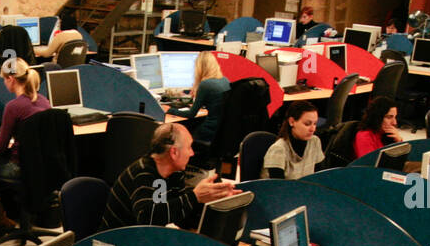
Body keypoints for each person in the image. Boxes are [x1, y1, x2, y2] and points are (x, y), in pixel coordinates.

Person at [102, 122, 240, 229]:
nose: (192, 153)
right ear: (174, 152)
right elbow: (150, 220)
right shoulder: (144, 174)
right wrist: (195, 196)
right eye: (189, 147)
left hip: (141, 242)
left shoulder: (172, 173)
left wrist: (212, 200)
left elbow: (177, 213)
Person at [0, 57, 52, 226]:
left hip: (20, 169)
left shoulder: (14, 106)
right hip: (45, 167)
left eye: (4, 79)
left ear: (11, 79)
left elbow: (0, 146)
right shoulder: (44, 101)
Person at [166, 51, 231, 167]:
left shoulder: (206, 84)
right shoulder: (225, 80)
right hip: (221, 131)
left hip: (207, 132)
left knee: (177, 134)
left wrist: (169, 110)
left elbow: (191, 114)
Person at [263, 101, 324, 179]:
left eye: (315, 124)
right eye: (307, 124)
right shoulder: (278, 149)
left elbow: (321, 177)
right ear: (292, 122)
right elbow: (277, 187)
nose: (313, 129)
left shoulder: (315, 141)